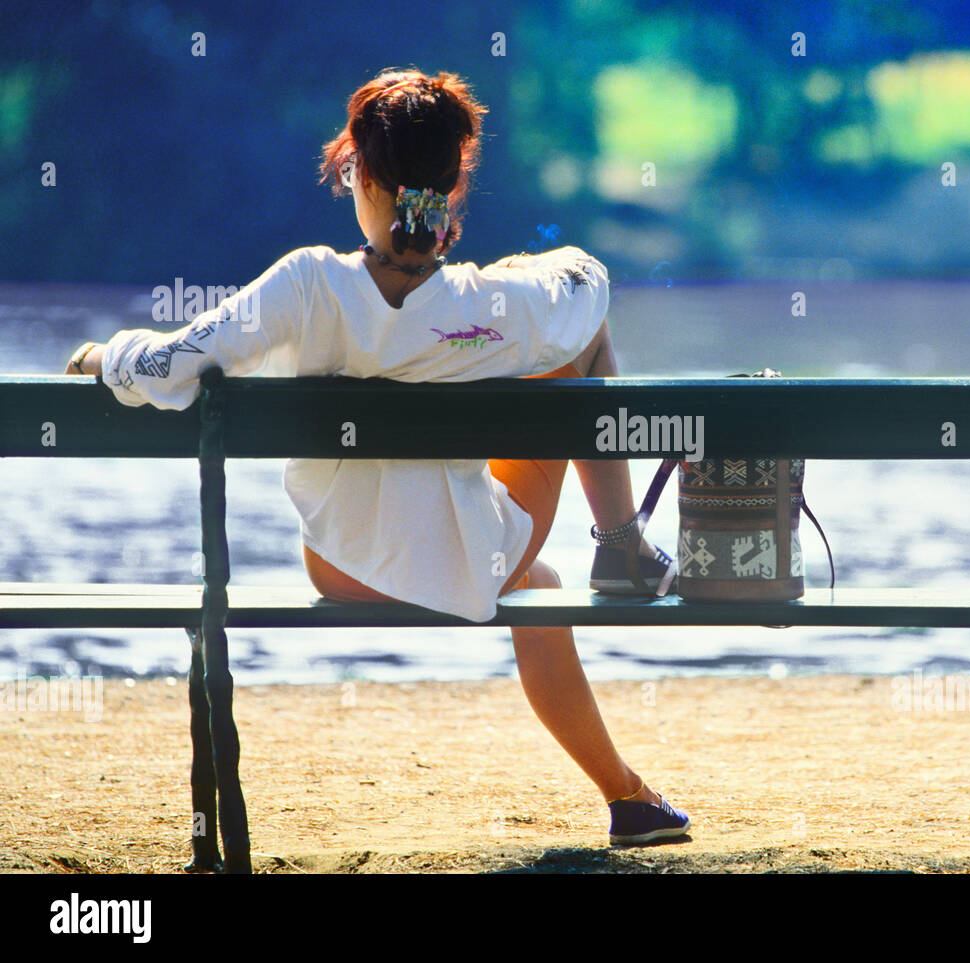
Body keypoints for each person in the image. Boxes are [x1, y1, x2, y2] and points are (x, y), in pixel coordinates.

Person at [62, 68, 688, 847]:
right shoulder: (485, 305)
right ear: (451, 187)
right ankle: (624, 548)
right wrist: (510, 276)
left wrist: (103, 355)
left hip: (341, 563)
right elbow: (588, 284)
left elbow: (168, 363)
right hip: (471, 562)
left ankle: (630, 794)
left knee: (544, 584)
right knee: (575, 351)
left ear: (358, 171)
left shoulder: (304, 285)